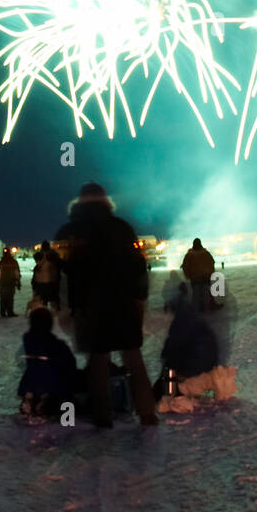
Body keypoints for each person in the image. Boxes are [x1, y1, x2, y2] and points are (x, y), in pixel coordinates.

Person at [53, 181, 157, 428]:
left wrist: (66, 305)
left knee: (97, 362)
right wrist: (139, 297)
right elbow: (139, 267)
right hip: (124, 305)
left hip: (90, 307)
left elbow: (63, 273)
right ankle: (147, 413)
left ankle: (103, 416)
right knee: (134, 358)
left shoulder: (70, 232)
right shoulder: (122, 228)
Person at [17, 307, 78, 418]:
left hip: (31, 382)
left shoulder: (29, 341)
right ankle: (57, 406)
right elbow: (71, 365)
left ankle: (36, 403)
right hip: (53, 384)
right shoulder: (56, 345)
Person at [181, 237, 216, 312]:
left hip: (195, 278)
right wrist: (211, 273)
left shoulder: (189, 255)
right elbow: (211, 263)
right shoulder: (206, 253)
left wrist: (188, 275)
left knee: (196, 295)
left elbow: (185, 266)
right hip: (205, 277)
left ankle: (196, 311)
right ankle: (207, 309)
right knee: (206, 294)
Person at [31, 240, 62, 310]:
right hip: (52, 279)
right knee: (53, 295)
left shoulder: (39, 255)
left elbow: (36, 259)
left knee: (43, 296)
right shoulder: (53, 255)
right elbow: (59, 264)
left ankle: (44, 307)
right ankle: (56, 308)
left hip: (40, 280)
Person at [0, 247, 22, 317]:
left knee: (3, 298)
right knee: (10, 298)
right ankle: (10, 312)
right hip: (11, 283)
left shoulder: (1, 263)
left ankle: (3, 312)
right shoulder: (13, 262)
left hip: (3, 283)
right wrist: (18, 282)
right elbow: (17, 273)